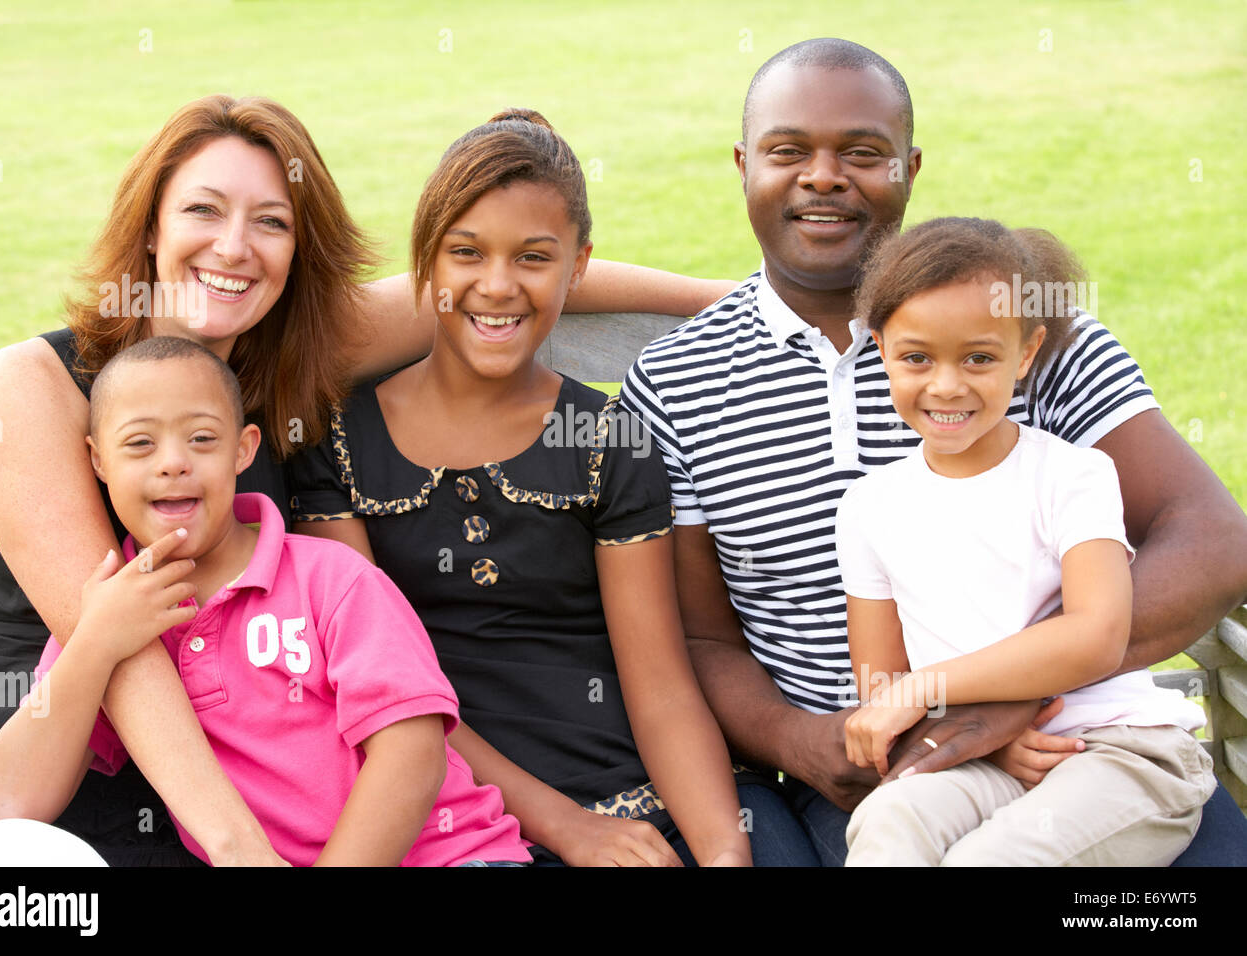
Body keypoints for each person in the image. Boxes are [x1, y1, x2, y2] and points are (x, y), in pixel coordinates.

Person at [0, 94, 730, 865]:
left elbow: (506, 274)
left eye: (271, 222)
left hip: (235, 804)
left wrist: (752, 304)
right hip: (38, 798)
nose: (233, 248)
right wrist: (238, 849)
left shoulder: (292, 363)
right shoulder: (34, 387)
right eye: (203, 211)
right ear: (151, 225)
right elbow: (127, 654)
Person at [618, 38, 1247, 865]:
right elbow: (700, 638)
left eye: (864, 154)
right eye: (788, 151)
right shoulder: (676, 381)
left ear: (910, 167)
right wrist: (804, 742)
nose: (823, 177)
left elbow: (1212, 537)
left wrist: (1007, 701)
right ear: (743, 165)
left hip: (1080, 742)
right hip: (847, 770)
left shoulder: (1030, 332)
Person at [289, 109, 752, 866]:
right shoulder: (338, 447)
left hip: (629, 800)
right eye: (466, 252)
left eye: (534, 259)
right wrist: (564, 828)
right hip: (448, 816)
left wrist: (723, 855)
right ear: (426, 263)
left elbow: (662, 688)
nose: (497, 286)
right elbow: (389, 692)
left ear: (578, 267)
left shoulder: (608, 443)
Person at [0, 337, 531, 867]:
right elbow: (16, 802)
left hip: (453, 855)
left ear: (243, 450)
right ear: (98, 461)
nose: (174, 462)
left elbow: (412, 756)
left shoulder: (331, 579)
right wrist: (94, 644)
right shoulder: (110, 613)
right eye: (140, 443)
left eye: (201, 439)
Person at [835, 217, 1215, 865]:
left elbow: (1096, 636)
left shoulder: (1072, 475)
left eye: (979, 357)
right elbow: (882, 680)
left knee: (994, 860)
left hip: (1119, 751)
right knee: (888, 825)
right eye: (916, 357)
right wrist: (974, 734)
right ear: (880, 349)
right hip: (980, 757)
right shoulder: (869, 506)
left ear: (1028, 354)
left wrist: (924, 690)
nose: (947, 385)